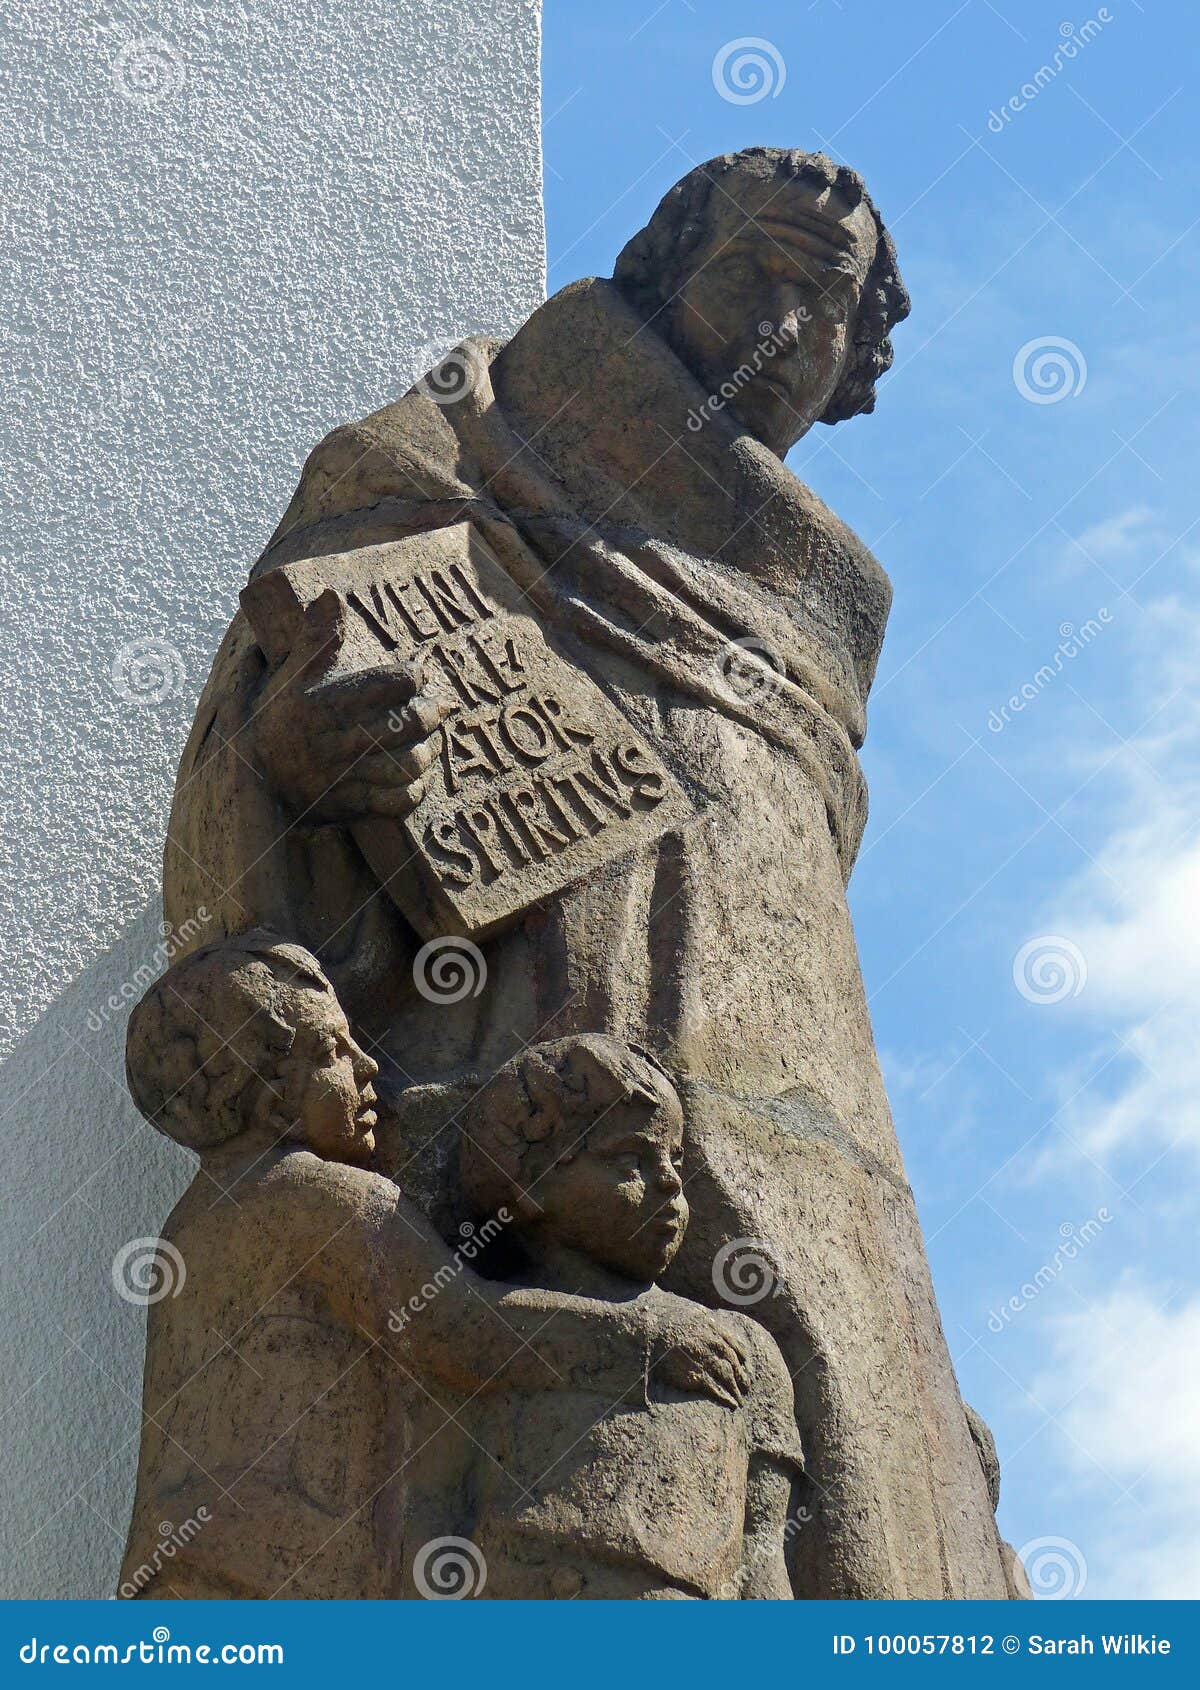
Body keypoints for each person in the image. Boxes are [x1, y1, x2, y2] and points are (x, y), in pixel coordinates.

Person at [161, 149, 1011, 1596]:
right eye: (756, 269)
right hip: (523, 1067)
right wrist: (297, 758)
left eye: (831, 301)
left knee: (857, 1523)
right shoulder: (467, 439)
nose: (786, 328)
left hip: (808, 1134)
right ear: (667, 265)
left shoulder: (828, 601)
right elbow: (274, 693)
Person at [117, 934, 750, 1599]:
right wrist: (644, 1344)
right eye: (333, 1050)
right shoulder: (326, 1201)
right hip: (276, 1574)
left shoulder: (187, 1228)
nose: (368, 1068)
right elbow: (462, 1332)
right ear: (261, 1091)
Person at [432, 1035, 802, 1600]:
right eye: (631, 1159)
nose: (671, 1182)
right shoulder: (492, 1327)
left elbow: (762, 1553)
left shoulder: (748, 1349)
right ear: (530, 1180)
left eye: (674, 1159)